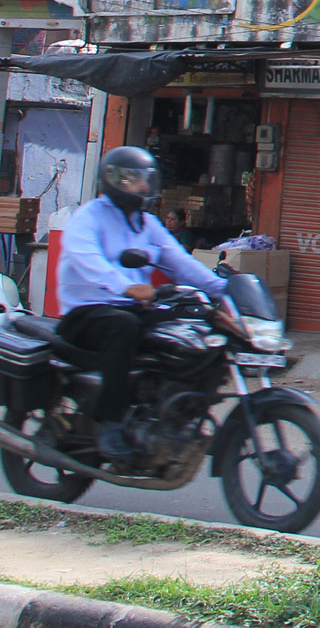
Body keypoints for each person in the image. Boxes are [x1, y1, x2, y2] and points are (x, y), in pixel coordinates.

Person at [57, 147, 227, 460]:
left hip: (132, 309)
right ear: (115, 180)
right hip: (86, 313)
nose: (144, 187)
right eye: (136, 180)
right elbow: (90, 262)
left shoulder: (146, 223)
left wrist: (226, 290)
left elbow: (180, 262)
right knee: (124, 326)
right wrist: (129, 287)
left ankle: (173, 412)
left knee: (191, 333)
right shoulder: (89, 217)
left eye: (147, 179)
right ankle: (108, 422)